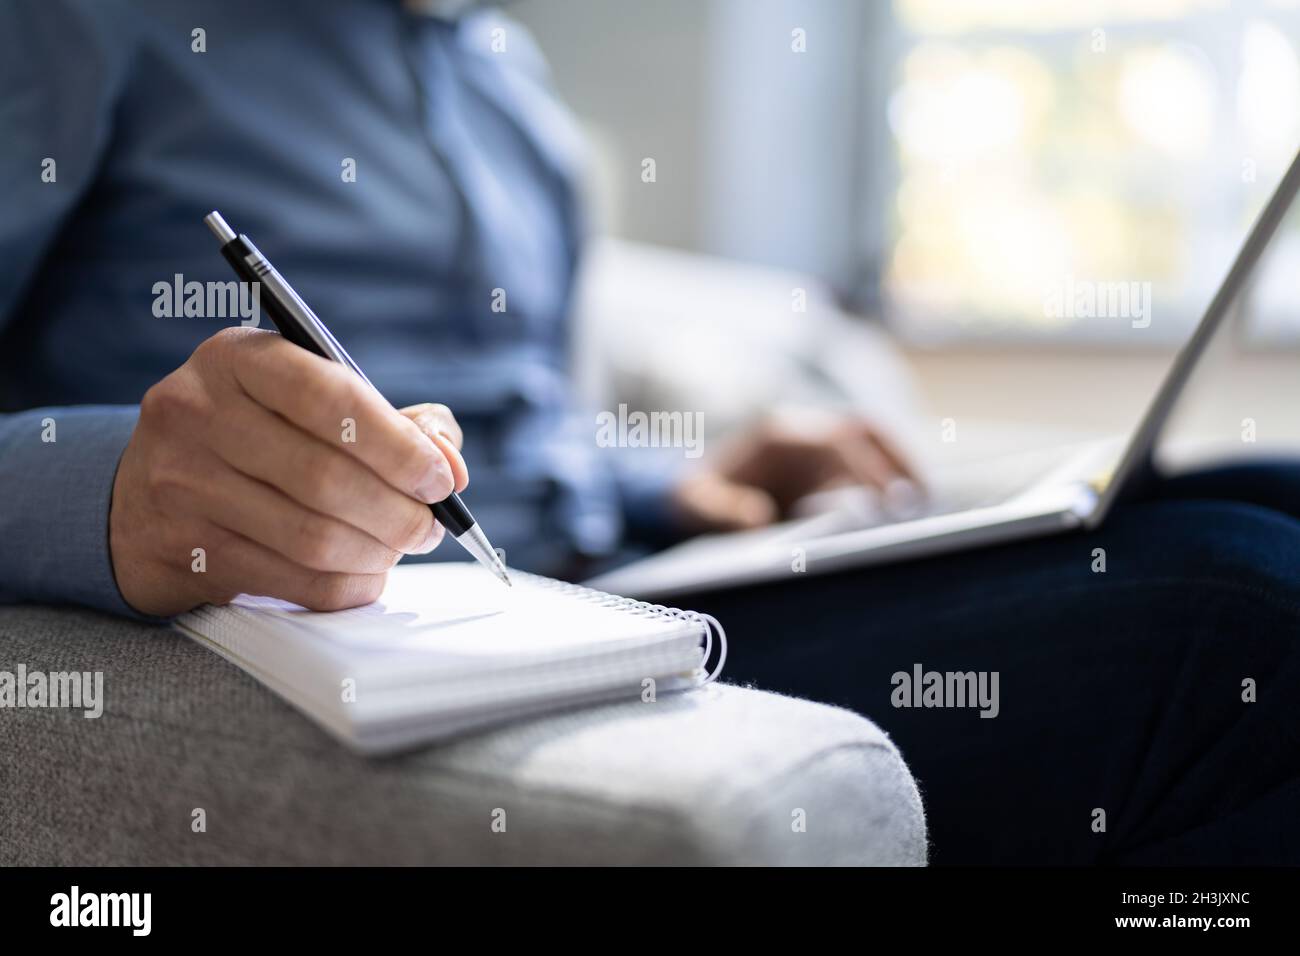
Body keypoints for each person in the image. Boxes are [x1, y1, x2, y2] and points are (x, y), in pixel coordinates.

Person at [1, 0, 1296, 864]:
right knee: (1245, 610)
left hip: (609, 576)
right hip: (410, 627)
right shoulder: (90, 26)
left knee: (1264, 489)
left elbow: (520, 431)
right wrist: (111, 484)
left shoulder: (503, 71)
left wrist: (682, 482)